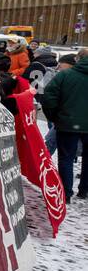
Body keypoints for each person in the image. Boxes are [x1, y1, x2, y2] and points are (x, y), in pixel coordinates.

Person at [41, 50, 88, 200]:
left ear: (77, 59)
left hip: (68, 123)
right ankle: (84, 190)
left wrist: (54, 117)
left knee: (66, 158)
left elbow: (48, 97)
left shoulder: (65, 75)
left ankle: (66, 193)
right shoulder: (66, 75)